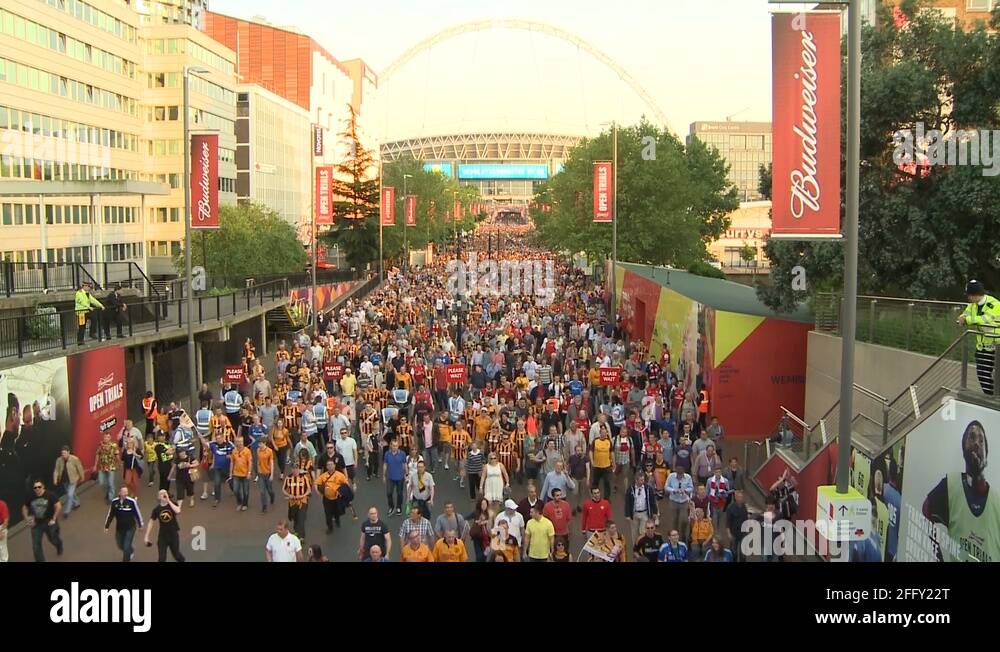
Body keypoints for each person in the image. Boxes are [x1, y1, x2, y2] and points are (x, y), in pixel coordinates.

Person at [923, 419, 999, 562]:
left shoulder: (997, 502)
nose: (976, 443)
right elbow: (926, 509)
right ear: (963, 449)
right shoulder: (951, 484)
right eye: (972, 437)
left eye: (981, 441)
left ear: (986, 455)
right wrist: (938, 556)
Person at [957, 279, 1000, 395]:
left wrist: (968, 320)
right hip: (982, 346)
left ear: (975, 295)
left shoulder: (995, 304)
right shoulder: (972, 305)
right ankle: (991, 396)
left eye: (969, 295)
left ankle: (996, 396)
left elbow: (985, 320)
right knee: (982, 374)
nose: (968, 298)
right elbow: (966, 313)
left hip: (997, 345)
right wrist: (962, 316)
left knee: (997, 375)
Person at [23, 480, 63, 561]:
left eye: (39, 487)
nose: (37, 489)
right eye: (35, 487)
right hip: (36, 524)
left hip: (49, 522)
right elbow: (24, 507)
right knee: (36, 546)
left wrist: (54, 518)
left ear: (43, 487)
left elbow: (58, 506)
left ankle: (59, 545)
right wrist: (27, 518)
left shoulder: (50, 495)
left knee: (53, 539)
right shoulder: (31, 497)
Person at [143, 489, 184, 562]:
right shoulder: (156, 509)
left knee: (176, 555)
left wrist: (168, 501)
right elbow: (151, 522)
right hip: (162, 536)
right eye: (161, 493)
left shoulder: (172, 504)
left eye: (165, 493)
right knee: (161, 558)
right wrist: (146, 536)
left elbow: (178, 511)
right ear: (159, 497)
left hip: (173, 534)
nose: (164, 494)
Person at [104, 486, 142, 562]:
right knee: (120, 545)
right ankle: (130, 551)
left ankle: (126, 559)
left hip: (130, 527)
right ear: (119, 493)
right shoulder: (114, 502)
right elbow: (110, 514)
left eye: (126, 492)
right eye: (123, 492)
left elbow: (137, 513)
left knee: (126, 546)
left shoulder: (132, 502)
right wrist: (106, 526)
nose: (125, 493)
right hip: (119, 528)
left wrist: (140, 524)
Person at [624, 471, 659, 547]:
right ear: (636, 480)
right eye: (641, 480)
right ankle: (635, 547)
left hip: (644, 513)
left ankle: (643, 547)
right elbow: (627, 502)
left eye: (643, 480)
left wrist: (655, 512)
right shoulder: (630, 489)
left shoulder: (648, 488)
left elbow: (652, 501)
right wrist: (627, 514)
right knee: (634, 532)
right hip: (634, 514)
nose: (642, 482)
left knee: (642, 531)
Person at [316, 459, 349, 532]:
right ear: (326, 466)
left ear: (334, 465)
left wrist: (341, 492)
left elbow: (346, 485)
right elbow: (318, 483)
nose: (330, 466)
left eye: (331, 464)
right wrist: (320, 491)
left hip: (337, 498)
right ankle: (329, 527)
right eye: (328, 465)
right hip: (327, 498)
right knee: (328, 514)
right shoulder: (323, 476)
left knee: (337, 511)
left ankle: (337, 519)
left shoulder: (340, 475)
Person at [282, 465, 312, 540]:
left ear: (299, 470)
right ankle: (296, 531)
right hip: (292, 502)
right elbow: (283, 489)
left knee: (301, 518)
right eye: (293, 469)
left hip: (302, 502)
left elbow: (309, 490)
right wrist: (289, 495)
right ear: (291, 470)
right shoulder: (288, 478)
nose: (295, 471)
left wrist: (302, 495)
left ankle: (301, 537)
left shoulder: (304, 478)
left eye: (296, 469)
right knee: (294, 518)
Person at [53, 446, 84, 518]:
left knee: (69, 495)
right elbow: (56, 470)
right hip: (64, 480)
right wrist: (55, 479)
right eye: (62, 453)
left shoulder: (74, 459)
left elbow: (80, 468)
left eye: (65, 453)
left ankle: (66, 511)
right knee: (71, 493)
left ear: (68, 452)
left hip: (73, 480)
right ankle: (77, 503)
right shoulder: (59, 460)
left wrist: (82, 476)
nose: (63, 454)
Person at [664, 466, 694, 541]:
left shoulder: (688, 477)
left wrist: (685, 490)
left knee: (684, 520)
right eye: (678, 476)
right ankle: (674, 536)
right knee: (675, 520)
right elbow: (666, 487)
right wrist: (673, 490)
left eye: (681, 476)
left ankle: (683, 534)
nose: (680, 477)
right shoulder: (671, 476)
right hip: (674, 501)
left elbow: (691, 488)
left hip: (684, 501)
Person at [93, 433, 120, 503]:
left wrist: (119, 463)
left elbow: (117, 455)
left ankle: (111, 498)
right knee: (101, 482)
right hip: (102, 467)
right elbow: (97, 454)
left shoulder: (114, 446)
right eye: (105, 437)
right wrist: (95, 465)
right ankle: (108, 492)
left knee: (111, 483)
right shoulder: (100, 445)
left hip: (111, 467)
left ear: (110, 438)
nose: (106, 438)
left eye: (108, 437)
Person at [208, 432, 234, 508]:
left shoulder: (229, 444)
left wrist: (230, 456)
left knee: (231, 482)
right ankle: (217, 499)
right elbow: (205, 444)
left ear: (223, 438)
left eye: (220, 438)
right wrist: (211, 440)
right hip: (217, 468)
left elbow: (236, 453)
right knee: (216, 483)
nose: (218, 440)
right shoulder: (213, 445)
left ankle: (235, 490)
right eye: (217, 438)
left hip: (227, 468)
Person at [589, 422, 614, 499]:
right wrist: (592, 462)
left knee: (607, 483)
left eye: (605, 433)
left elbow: (611, 452)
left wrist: (613, 462)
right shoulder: (595, 441)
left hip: (606, 466)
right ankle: (594, 497)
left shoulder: (609, 442)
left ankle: (607, 498)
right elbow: (591, 451)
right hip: (597, 466)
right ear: (600, 433)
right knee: (595, 483)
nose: (604, 434)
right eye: (602, 433)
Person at [383, 438, 407, 515]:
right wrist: (384, 475)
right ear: (390, 446)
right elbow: (385, 464)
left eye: (396, 446)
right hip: (390, 477)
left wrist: (406, 474)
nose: (395, 447)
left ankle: (399, 507)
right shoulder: (387, 454)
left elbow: (404, 464)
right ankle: (391, 507)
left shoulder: (402, 454)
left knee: (399, 493)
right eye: (393, 446)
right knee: (389, 493)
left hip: (400, 477)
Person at [74, 281, 103, 345]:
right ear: (84, 286)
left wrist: (100, 305)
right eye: (88, 287)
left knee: (94, 318)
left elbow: (93, 300)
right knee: (82, 326)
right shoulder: (79, 293)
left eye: (90, 287)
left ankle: (92, 333)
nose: (89, 288)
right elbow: (81, 301)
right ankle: (80, 341)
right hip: (81, 312)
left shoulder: (87, 293)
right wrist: (88, 307)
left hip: (86, 311)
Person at [229, 435, 253, 512]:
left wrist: (249, 472)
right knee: (235, 490)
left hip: (245, 474)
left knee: (245, 491)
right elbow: (232, 462)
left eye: (240, 441)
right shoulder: (234, 451)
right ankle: (239, 502)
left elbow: (250, 462)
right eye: (237, 441)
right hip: (236, 474)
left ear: (243, 442)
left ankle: (245, 504)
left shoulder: (247, 451)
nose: (239, 443)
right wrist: (230, 472)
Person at [726, 490, 750, 562]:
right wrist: (728, 533)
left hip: (743, 532)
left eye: (741, 497)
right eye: (739, 497)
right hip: (734, 533)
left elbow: (746, 519)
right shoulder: (730, 507)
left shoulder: (744, 506)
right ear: (735, 497)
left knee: (743, 553)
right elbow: (727, 521)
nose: (740, 498)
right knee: (734, 552)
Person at [0, 498, 8, 562]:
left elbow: (6, 520)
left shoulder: (1, 504)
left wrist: (2, 531)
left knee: (2, 548)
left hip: (1, 527)